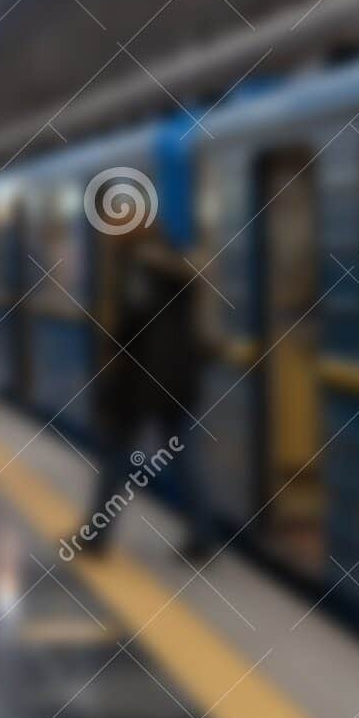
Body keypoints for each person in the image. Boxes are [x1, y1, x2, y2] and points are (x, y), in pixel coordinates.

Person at [80, 220, 217, 563]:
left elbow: (132, 326)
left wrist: (110, 357)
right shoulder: (176, 261)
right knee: (180, 458)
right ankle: (201, 535)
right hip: (176, 380)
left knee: (116, 456)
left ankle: (97, 536)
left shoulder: (137, 267)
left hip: (142, 382)